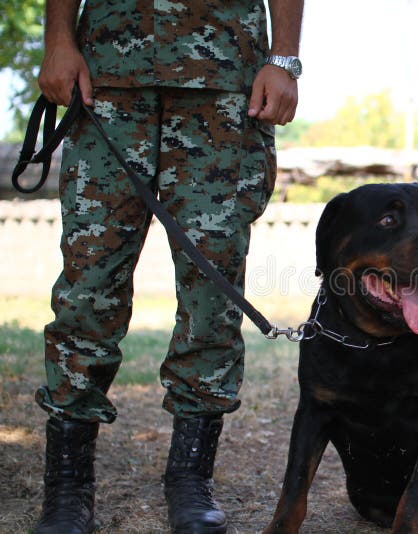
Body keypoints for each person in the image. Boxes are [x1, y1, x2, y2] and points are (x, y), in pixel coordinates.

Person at [33, 1, 304, 532]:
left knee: (213, 289)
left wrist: (286, 58)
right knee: (88, 284)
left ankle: (189, 479)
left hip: (227, 79)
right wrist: (58, 41)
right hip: (107, 74)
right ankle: (67, 484)